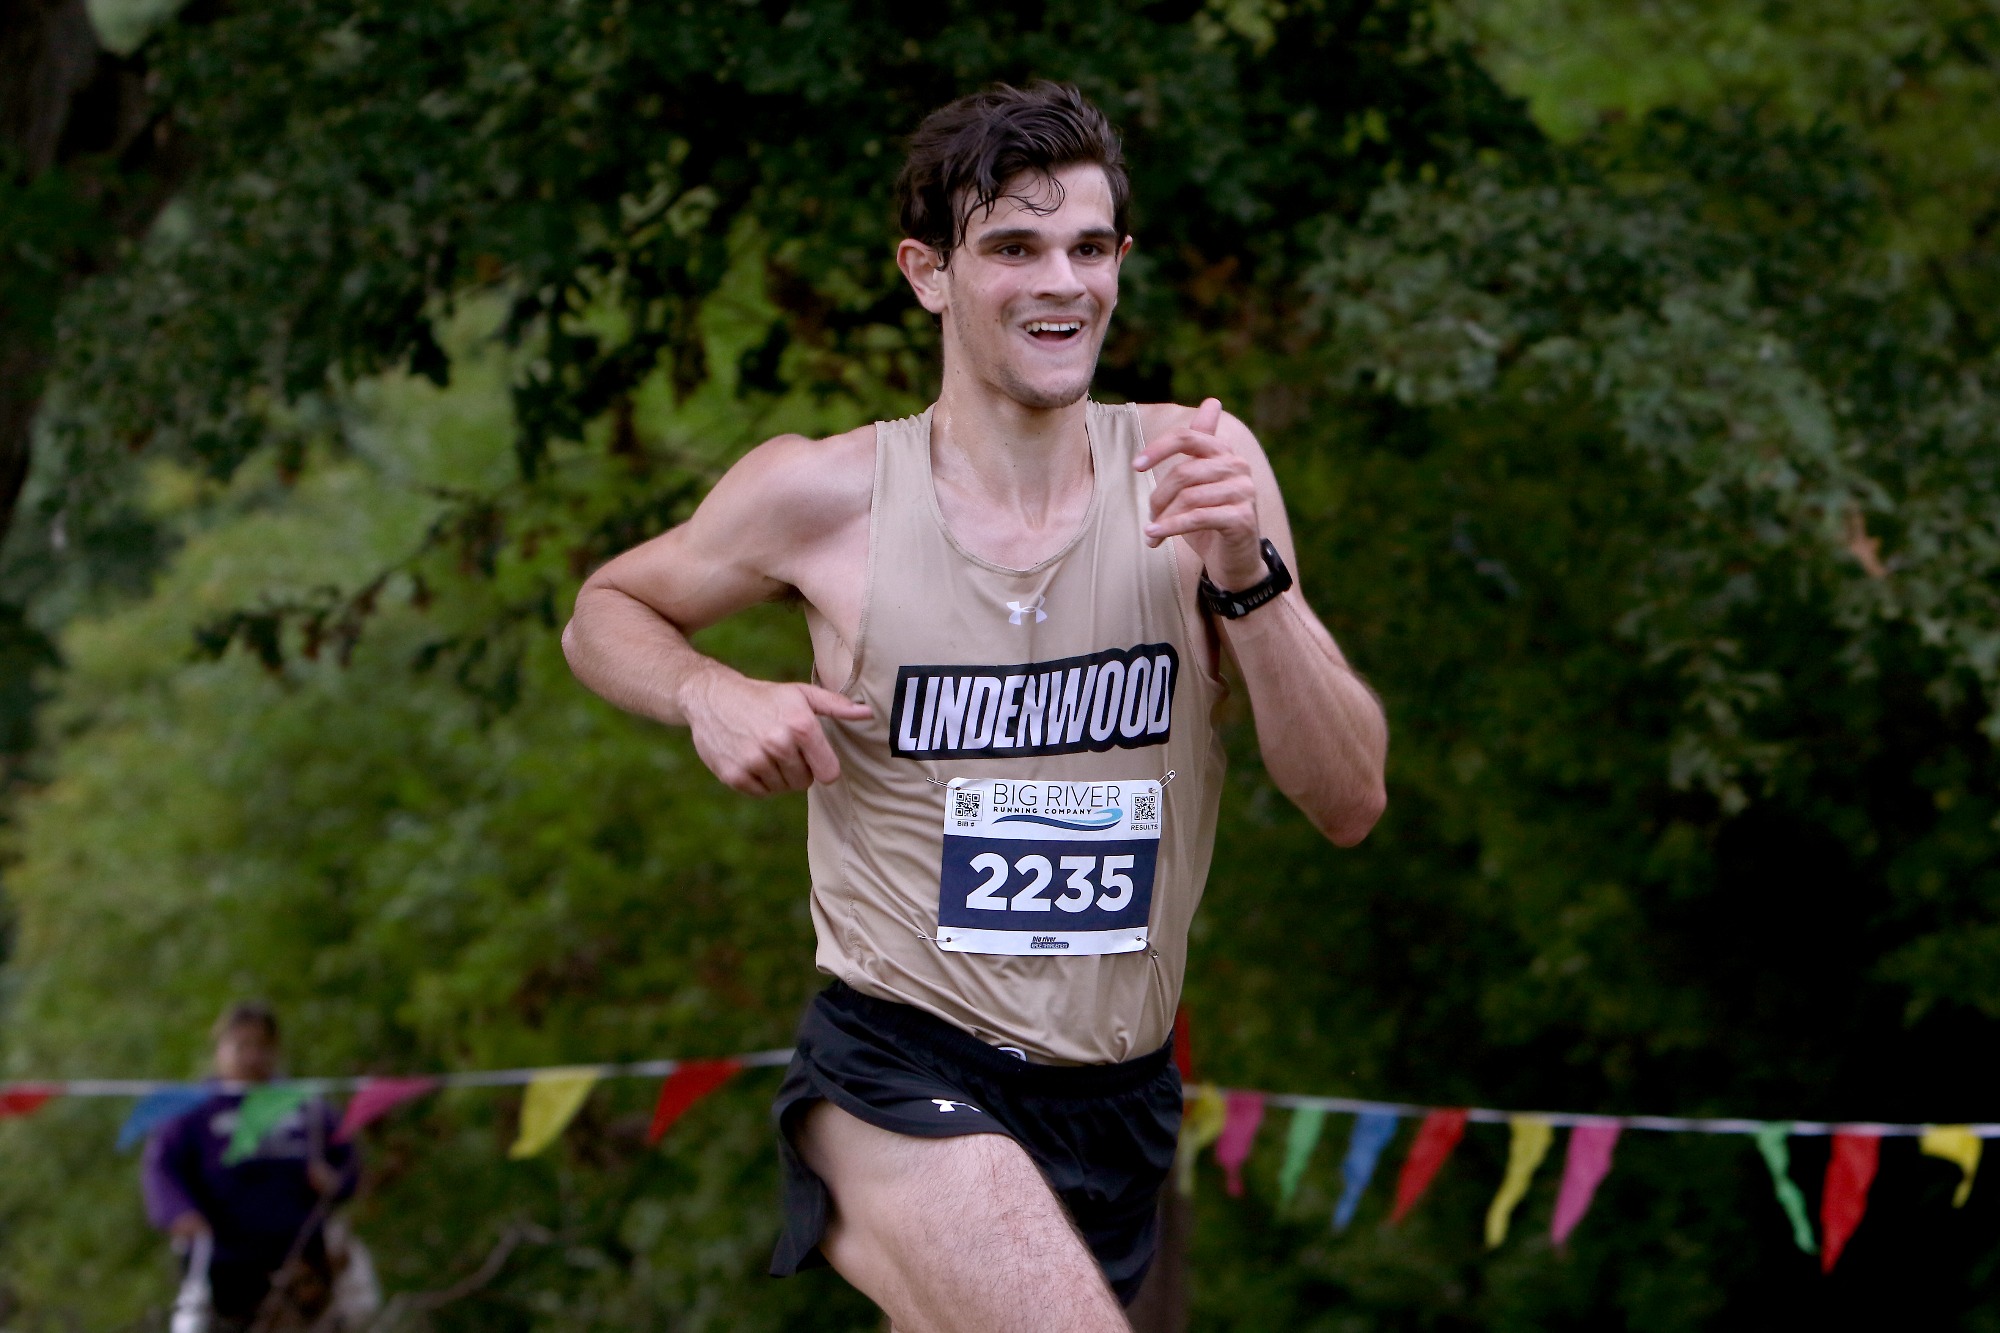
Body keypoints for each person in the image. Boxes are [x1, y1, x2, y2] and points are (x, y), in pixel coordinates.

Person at [562, 82, 1388, 1332]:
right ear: (928, 273)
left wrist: (1246, 581)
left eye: (1087, 247)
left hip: (1118, 1097)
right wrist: (707, 693)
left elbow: (1346, 800)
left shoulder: (1195, 474)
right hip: (900, 1064)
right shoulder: (822, 495)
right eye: (1011, 246)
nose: (1059, 281)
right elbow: (602, 611)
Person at [142, 1002, 359, 1330]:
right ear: (221, 1049)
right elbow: (161, 1168)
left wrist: (336, 1182)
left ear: (276, 1051)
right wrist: (179, 1213)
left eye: (262, 1046)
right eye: (242, 1045)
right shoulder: (193, 1109)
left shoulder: (306, 1106)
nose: (252, 1055)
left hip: (302, 1256)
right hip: (224, 1261)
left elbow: (347, 1159)